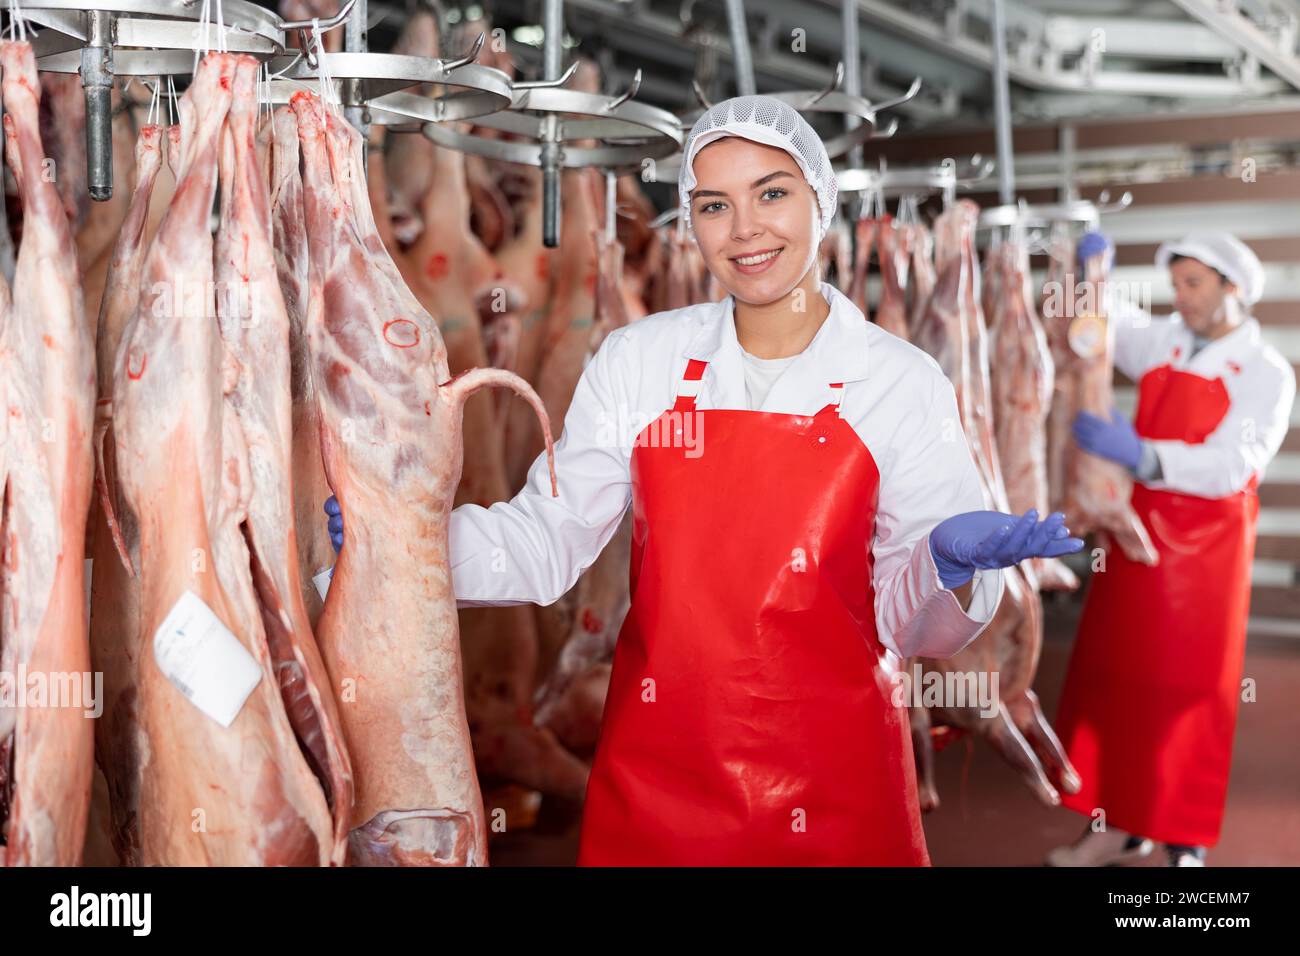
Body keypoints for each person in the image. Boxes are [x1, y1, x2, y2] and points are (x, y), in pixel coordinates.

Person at [326, 95, 1083, 866]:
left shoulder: (899, 383)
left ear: (819, 200)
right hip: (660, 784)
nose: (745, 229)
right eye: (715, 204)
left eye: (772, 193)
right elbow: (545, 540)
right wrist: (407, 538)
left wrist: (943, 568)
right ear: (692, 220)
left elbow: (906, 625)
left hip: (836, 790)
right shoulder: (639, 362)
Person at [1049, 231, 1296, 868]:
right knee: (1118, 678)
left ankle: (1183, 838)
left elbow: (1237, 463)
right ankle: (1112, 826)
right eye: (1176, 283)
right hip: (1139, 533)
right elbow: (1102, 320)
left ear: (1232, 288)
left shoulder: (1267, 372)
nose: (1179, 297)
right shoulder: (1166, 339)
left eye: (1193, 284)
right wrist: (1087, 269)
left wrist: (1145, 453)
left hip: (1209, 549)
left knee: (1190, 691)